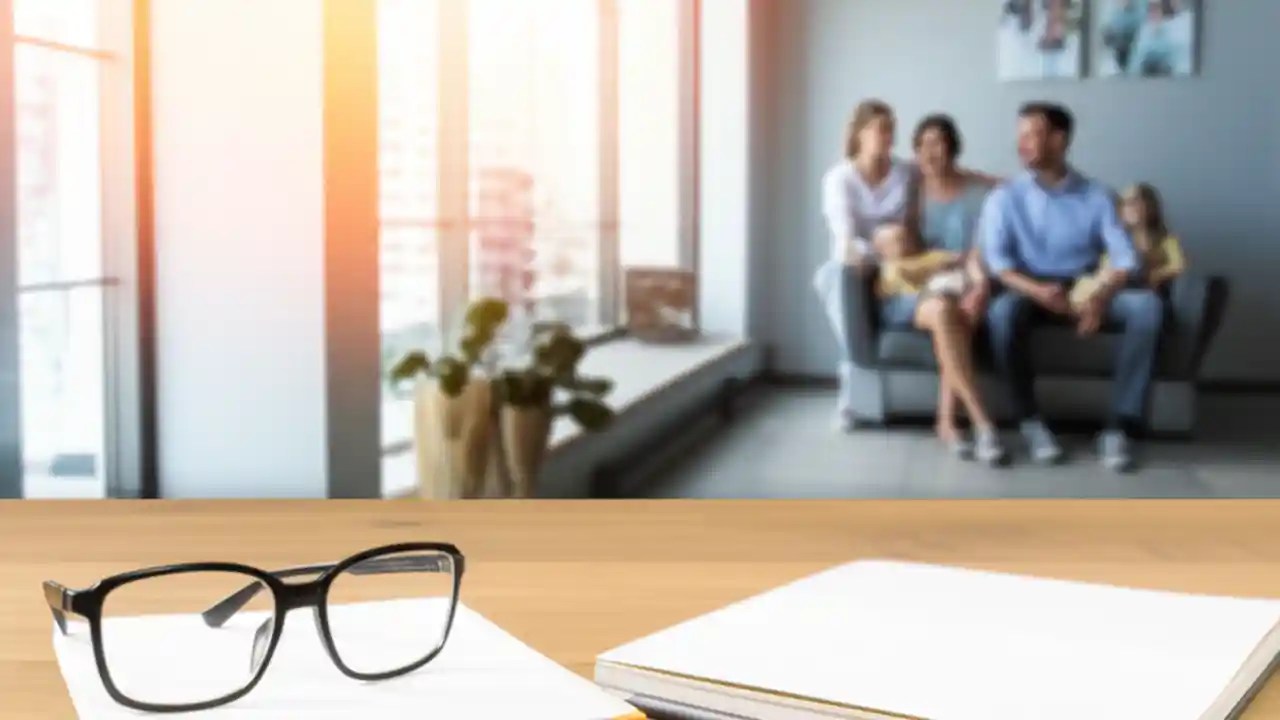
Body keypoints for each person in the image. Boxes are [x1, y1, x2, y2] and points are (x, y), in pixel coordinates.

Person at [818, 100, 1005, 464]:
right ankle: (983, 423)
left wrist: (1005, 183)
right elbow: (845, 241)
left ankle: (949, 421)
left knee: (949, 312)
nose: (888, 138)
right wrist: (885, 250)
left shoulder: (907, 173)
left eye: (891, 129)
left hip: (925, 278)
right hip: (881, 275)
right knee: (839, 278)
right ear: (859, 133)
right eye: (879, 129)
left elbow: (949, 175)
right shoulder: (839, 178)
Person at [982, 102, 1161, 473]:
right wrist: (1037, 291)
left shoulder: (1097, 195)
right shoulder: (1005, 196)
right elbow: (998, 264)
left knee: (1148, 307)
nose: (1023, 144)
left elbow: (1126, 258)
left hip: (1084, 285)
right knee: (1001, 313)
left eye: (1032, 134)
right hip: (1028, 287)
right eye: (1021, 135)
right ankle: (1030, 422)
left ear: (1060, 139)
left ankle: (1120, 427)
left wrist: (1099, 297)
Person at [913, 114, 1002, 457]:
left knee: (955, 316)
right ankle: (983, 423)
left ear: (952, 148)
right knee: (945, 310)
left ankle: (947, 422)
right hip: (922, 285)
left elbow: (1012, 189)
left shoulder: (978, 191)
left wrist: (980, 285)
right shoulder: (912, 192)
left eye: (937, 143)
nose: (929, 152)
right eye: (922, 145)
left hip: (967, 280)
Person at [1071, 182, 1186, 310]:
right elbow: (1107, 265)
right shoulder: (1117, 239)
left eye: (1134, 201)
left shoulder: (1166, 240)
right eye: (1124, 203)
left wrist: (1156, 274)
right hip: (1114, 288)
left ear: (1150, 206)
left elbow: (1178, 265)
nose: (1129, 207)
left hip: (1142, 290)